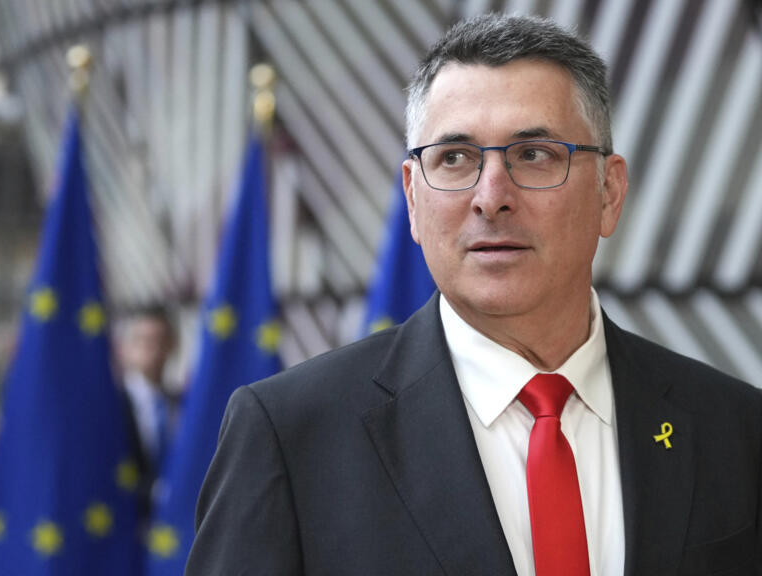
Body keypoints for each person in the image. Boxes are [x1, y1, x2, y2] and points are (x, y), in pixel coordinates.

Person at [187, 13, 762, 576]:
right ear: (413, 199)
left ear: (608, 192)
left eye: (533, 154)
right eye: (455, 158)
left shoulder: (736, 428)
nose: (491, 197)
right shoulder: (291, 436)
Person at [116, 307, 180, 516]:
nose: (153, 349)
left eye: (161, 340)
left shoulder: (182, 404)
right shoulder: (114, 406)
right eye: (143, 340)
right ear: (124, 348)